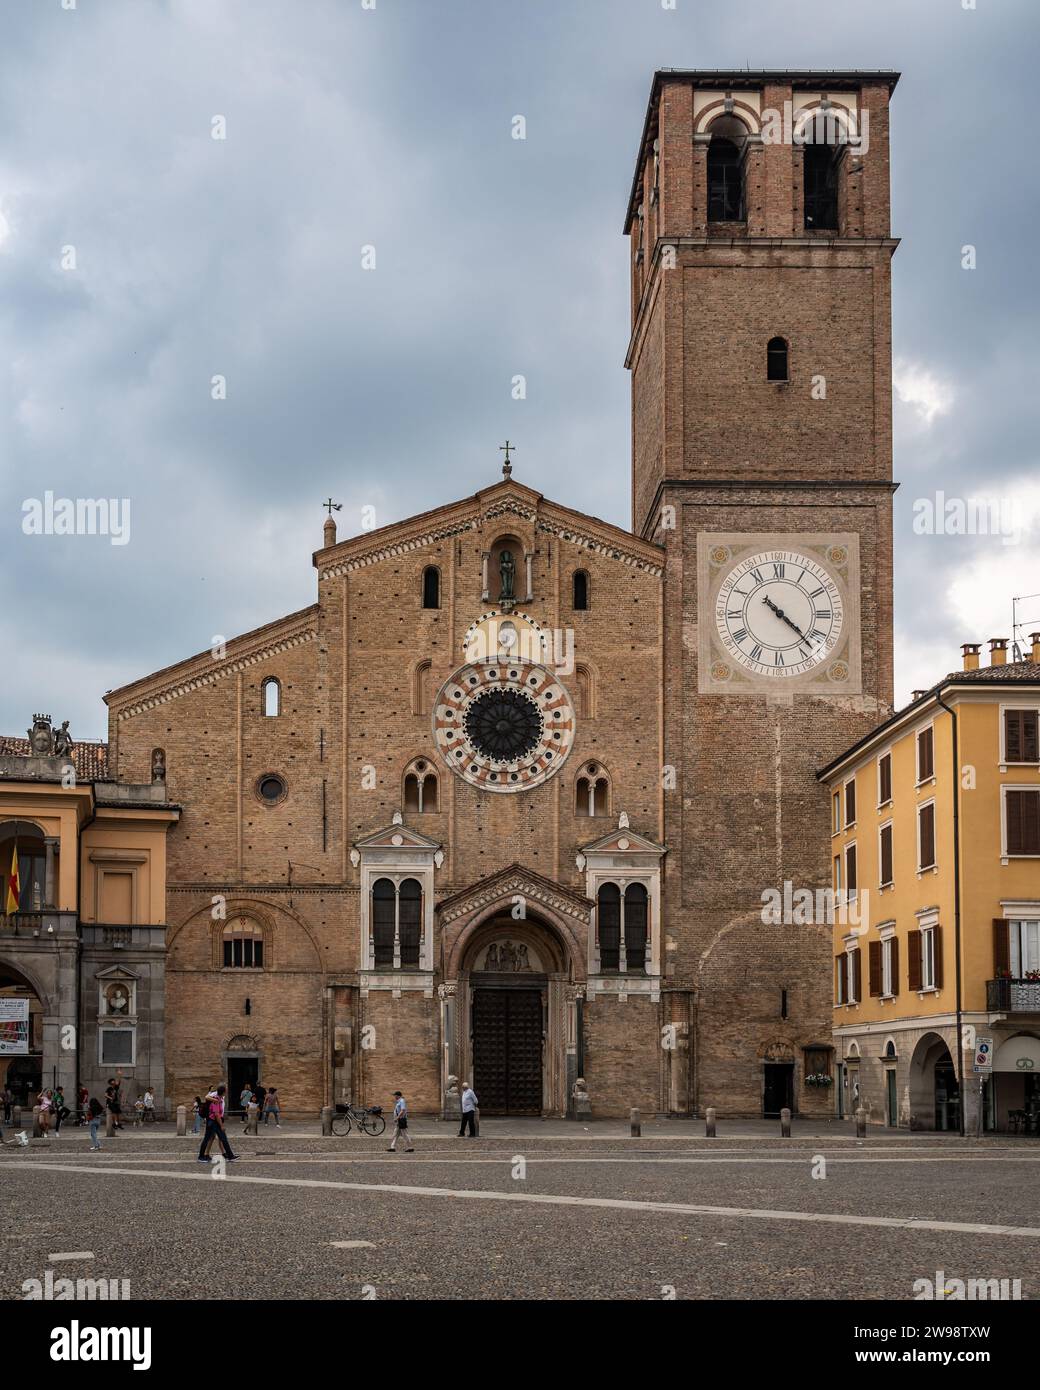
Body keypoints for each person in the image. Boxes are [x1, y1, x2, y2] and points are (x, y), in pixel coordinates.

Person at [198, 1084, 237, 1163]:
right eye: (225, 1090)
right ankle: (201, 1156)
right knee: (211, 1139)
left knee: (220, 1138)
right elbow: (216, 1114)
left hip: (213, 1122)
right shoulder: (216, 1100)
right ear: (223, 1092)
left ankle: (230, 1156)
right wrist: (221, 1125)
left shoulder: (219, 1098)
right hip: (213, 1122)